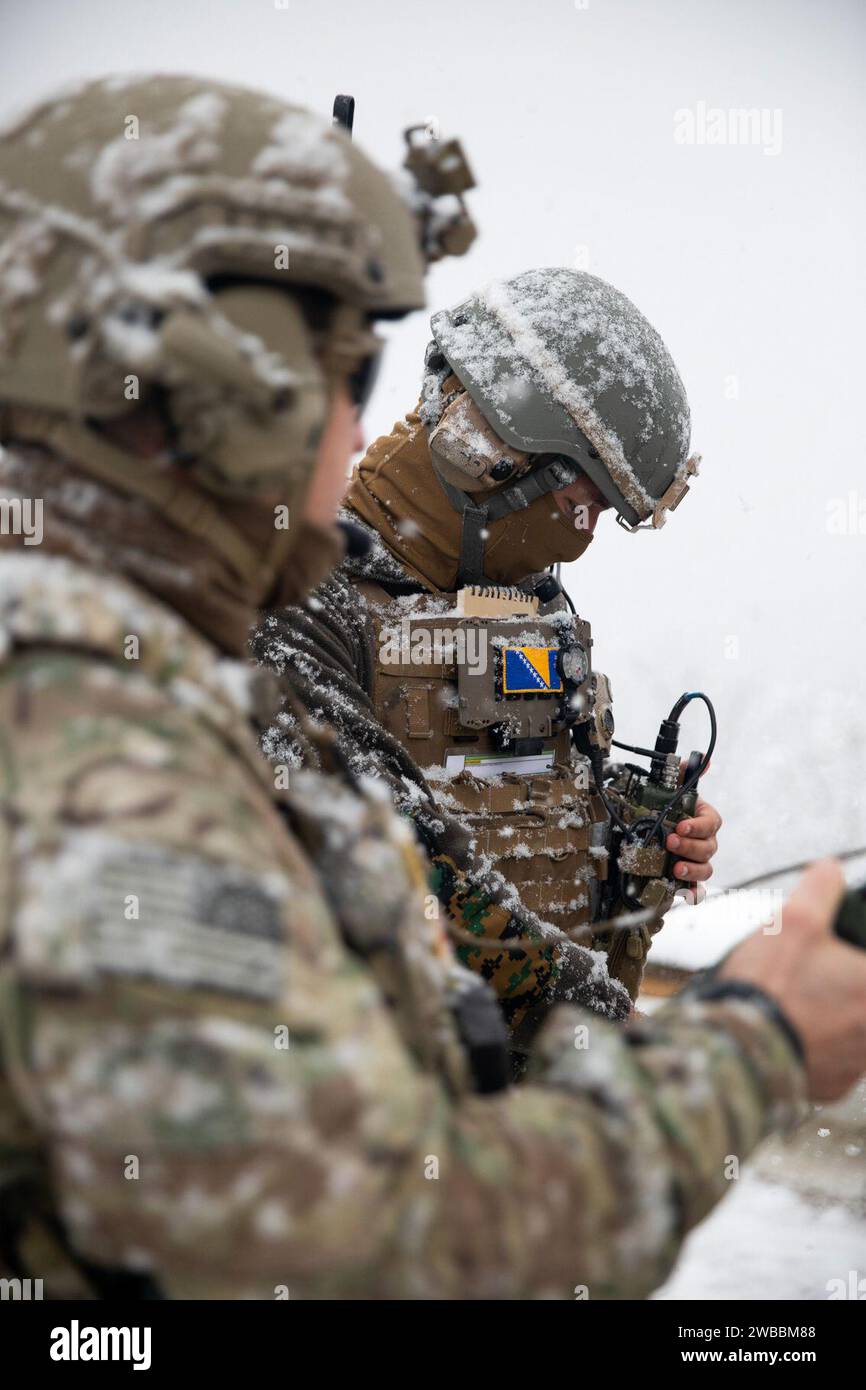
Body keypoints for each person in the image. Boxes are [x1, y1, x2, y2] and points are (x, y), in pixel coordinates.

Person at [1, 76, 864, 1303]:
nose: (357, 432)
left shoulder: (169, 658)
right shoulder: (159, 703)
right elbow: (366, 1241)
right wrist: (736, 1043)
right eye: (341, 380)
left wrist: (629, 853)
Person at [254, 267, 722, 1004]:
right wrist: (590, 1031)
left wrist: (638, 845)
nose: (583, 539)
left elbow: (520, 823)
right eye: (585, 504)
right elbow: (391, 877)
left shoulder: (526, 608)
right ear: (490, 456)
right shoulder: (296, 607)